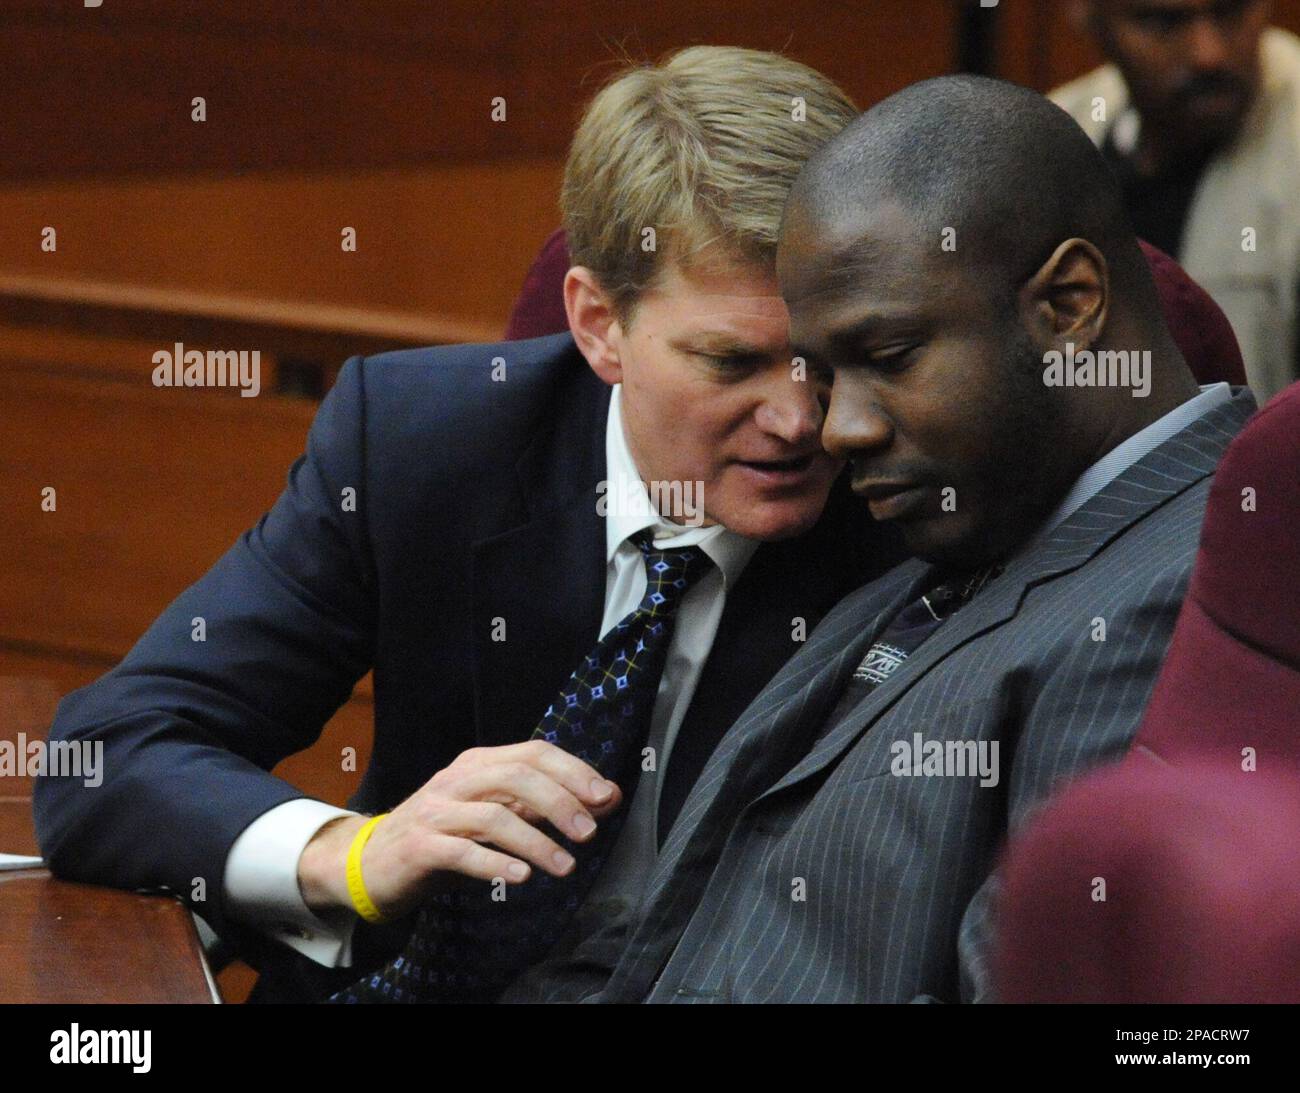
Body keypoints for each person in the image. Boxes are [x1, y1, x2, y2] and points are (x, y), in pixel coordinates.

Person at [32, 47, 905, 1004]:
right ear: (598, 324)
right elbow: (112, 753)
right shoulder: (419, 446)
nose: (801, 419)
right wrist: (353, 854)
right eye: (732, 362)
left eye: (824, 355)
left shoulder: (912, 511)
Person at [542, 74, 1259, 1004]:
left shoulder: (1187, 591)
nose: (835, 429)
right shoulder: (972, 525)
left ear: (1070, 304)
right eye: (826, 373)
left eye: (888, 358)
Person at [1052, 0, 1300, 402]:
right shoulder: (1058, 134)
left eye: (1230, 12)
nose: (1209, 54)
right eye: (1163, 22)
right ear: (1084, 12)